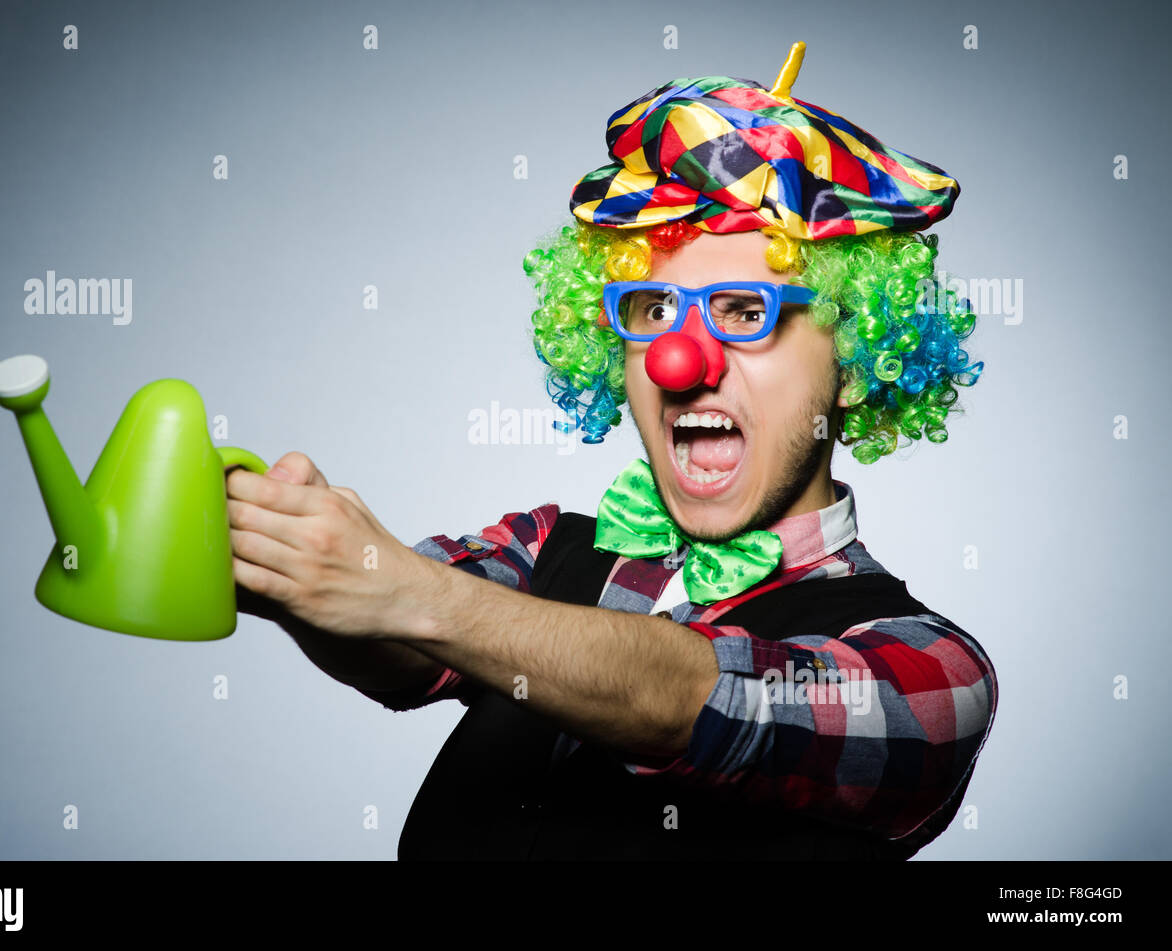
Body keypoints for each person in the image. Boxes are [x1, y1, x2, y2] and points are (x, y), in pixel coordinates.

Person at [226, 41, 998, 860]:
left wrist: (407, 592)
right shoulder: (542, 548)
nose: (681, 358)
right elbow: (397, 651)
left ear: (850, 366)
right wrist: (278, 556)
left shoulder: (932, 670)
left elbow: (690, 696)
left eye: (745, 311)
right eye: (653, 307)